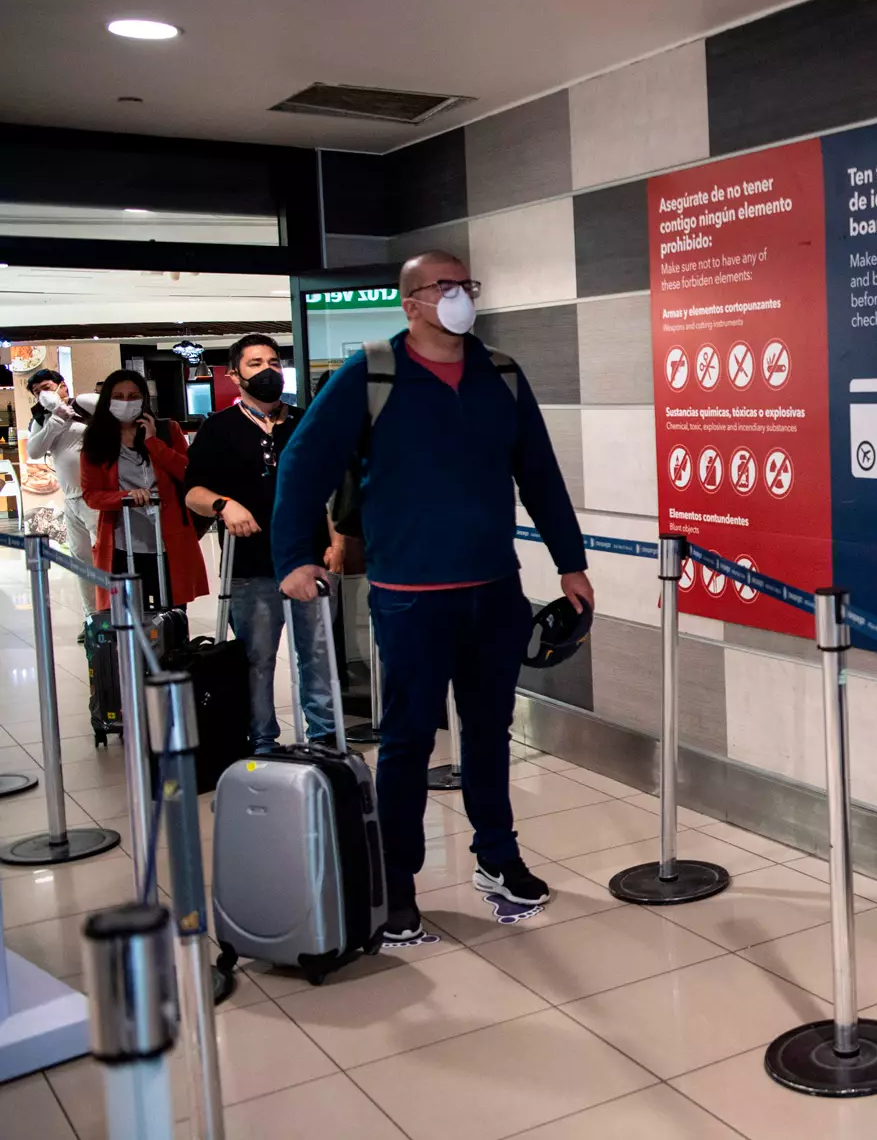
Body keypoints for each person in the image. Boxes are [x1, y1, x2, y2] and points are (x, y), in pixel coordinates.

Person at [271, 250, 592, 943]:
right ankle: (399, 879)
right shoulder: (371, 373)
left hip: (493, 591)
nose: (460, 297)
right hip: (410, 596)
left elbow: (538, 471)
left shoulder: (500, 374)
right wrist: (293, 555)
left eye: (466, 285)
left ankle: (498, 858)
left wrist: (572, 563)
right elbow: (302, 462)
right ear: (411, 302)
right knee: (408, 740)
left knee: (488, 733)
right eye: (445, 287)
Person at [184, 335, 336, 752]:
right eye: (255, 363)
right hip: (250, 564)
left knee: (318, 655)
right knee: (256, 659)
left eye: (273, 361)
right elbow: (192, 492)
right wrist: (223, 504)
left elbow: (331, 488)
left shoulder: (306, 421)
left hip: (309, 559)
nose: (267, 370)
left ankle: (324, 736)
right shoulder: (217, 428)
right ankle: (262, 740)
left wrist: (337, 540)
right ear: (234, 375)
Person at [80, 369, 207, 614]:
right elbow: (91, 494)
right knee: (128, 619)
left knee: (173, 616)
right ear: (107, 399)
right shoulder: (96, 440)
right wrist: (124, 497)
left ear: (144, 399)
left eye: (132, 395)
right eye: (118, 396)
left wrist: (153, 443)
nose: (126, 402)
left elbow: (188, 472)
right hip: (122, 545)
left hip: (169, 541)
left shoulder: (167, 430)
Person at [25, 370, 98, 611]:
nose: (43, 395)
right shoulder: (42, 420)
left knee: (106, 556)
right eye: (37, 392)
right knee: (81, 561)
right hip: (71, 498)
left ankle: (118, 613)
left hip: (97, 495)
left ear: (62, 386)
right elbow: (34, 451)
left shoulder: (84, 404)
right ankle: (92, 617)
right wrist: (55, 421)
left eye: (47, 387)